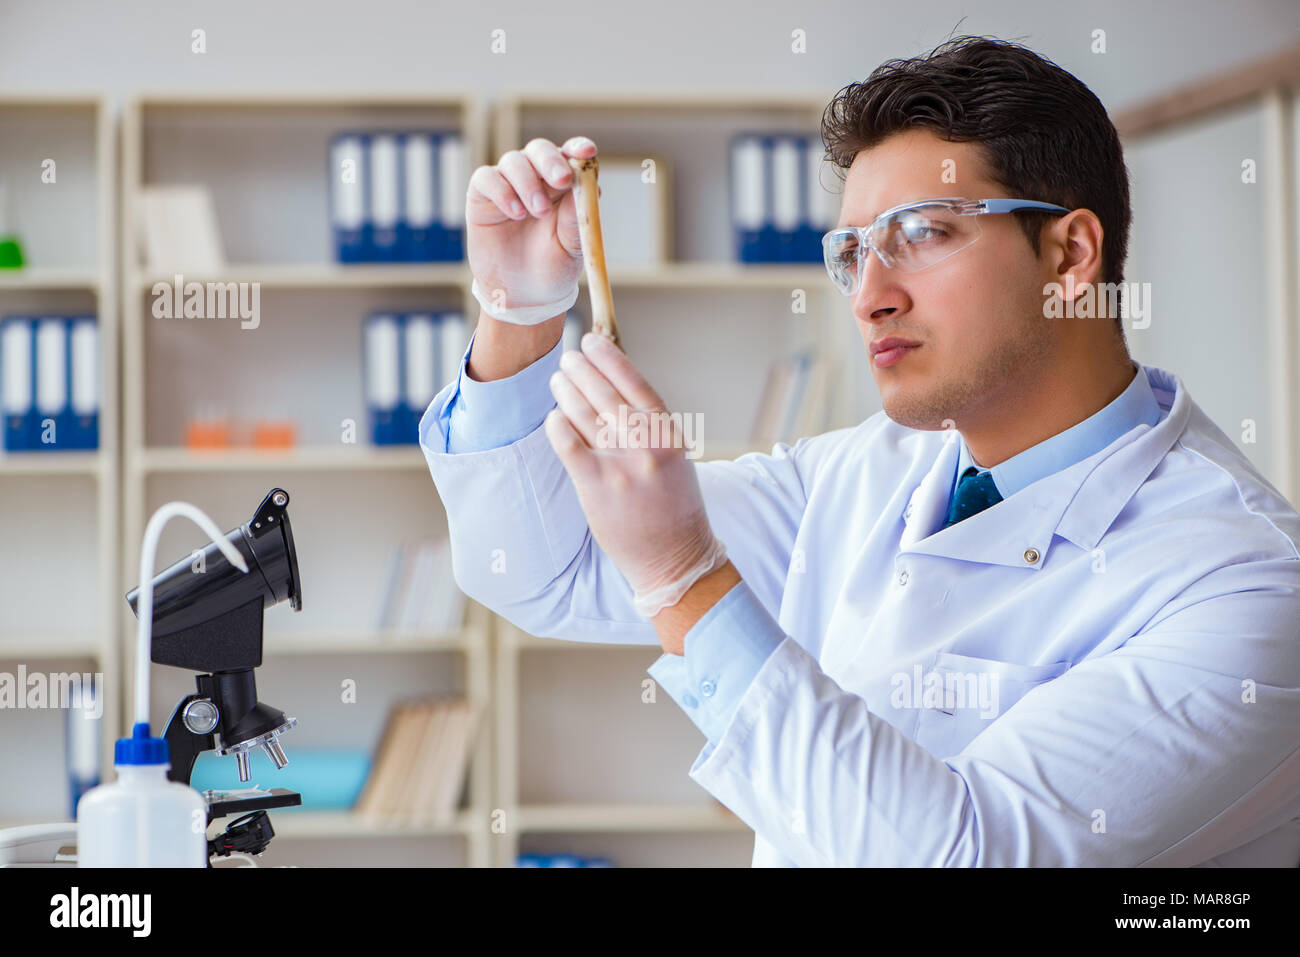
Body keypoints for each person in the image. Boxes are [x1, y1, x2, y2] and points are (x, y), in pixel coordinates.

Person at [419, 35, 1300, 866]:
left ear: (1069, 254)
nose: (869, 295)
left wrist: (687, 579)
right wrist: (521, 315)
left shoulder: (1243, 583)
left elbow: (963, 853)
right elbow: (540, 568)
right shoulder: (852, 476)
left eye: (921, 233)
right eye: (851, 250)